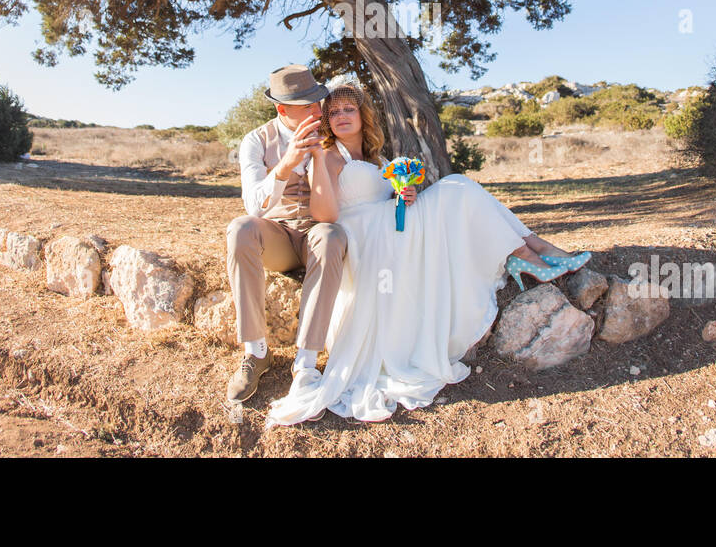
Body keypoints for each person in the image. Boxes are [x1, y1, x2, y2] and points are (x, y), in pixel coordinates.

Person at [264, 84, 591, 426]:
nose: (341, 116)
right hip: (365, 238)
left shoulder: (377, 157)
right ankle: (531, 250)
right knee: (460, 188)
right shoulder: (328, 156)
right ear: (327, 122)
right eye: (333, 112)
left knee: (460, 189)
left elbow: (394, 199)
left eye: (349, 109)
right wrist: (316, 157)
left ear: (363, 116)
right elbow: (326, 216)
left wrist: (406, 194)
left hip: (390, 227)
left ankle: (529, 248)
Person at [224, 66, 348, 408]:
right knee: (240, 228)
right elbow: (254, 205)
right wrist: (287, 161)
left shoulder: (329, 134)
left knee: (332, 236)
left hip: (315, 235)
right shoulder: (256, 141)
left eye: (318, 102)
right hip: (276, 235)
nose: (317, 112)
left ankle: (306, 363)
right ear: (282, 110)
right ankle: (256, 353)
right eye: (308, 106)